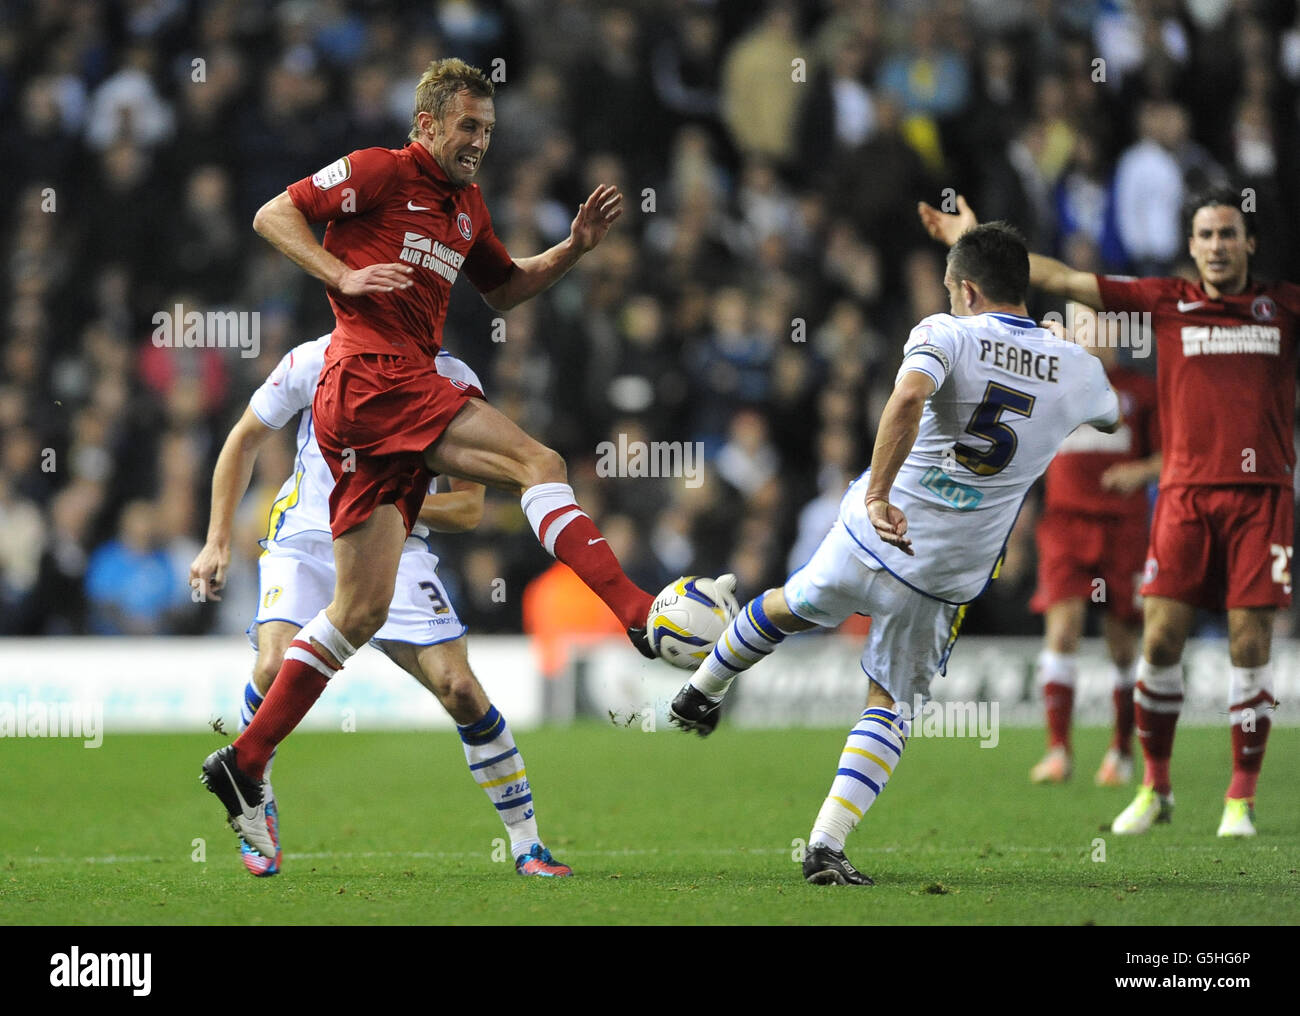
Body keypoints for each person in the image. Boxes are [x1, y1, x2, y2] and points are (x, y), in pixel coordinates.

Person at [198, 58, 693, 858]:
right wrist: (342, 273)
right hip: (372, 376)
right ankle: (636, 613)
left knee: (357, 613)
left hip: (381, 403)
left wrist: (571, 248)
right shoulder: (379, 172)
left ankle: (245, 762)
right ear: (426, 124)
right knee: (541, 463)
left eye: (488, 130)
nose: (479, 142)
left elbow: (502, 289)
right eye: (467, 127)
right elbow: (271, 215)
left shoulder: (467, 209)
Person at [669, 223, 1121, 885]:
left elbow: (909, 395)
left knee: (789, 605)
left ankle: (698, 689)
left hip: (869, 530)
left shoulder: (945, 331)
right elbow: (1110, 415)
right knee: (888, 703)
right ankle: (824, 844)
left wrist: (879, 495)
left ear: (966, 290)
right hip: (943, 572)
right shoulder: (1078, 370)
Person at [919, 186, 1300, 837]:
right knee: (1158, 641)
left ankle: (1240, 797)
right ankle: (1154, 786)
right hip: (1183, 499)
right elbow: (1064, 277)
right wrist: (975, 242)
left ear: (1250, 243)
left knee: (1249, 644)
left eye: (1228, 234)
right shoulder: (1167, 301)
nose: (1216, 246)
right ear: (1190, 246)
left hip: (1261, 498)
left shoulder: (1283, 308)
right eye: (1206, 235)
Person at [190, 335, 571, 877]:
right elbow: (244, 438)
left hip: (395, 544)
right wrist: (217, 539)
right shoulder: (312, 359)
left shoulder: (453, 375)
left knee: (459, 688)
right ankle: (255, 799)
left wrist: (385, 507)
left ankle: (527, 844)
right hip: (306, 539)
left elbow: (466, 509)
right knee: (272, 667)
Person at [1027, 312, 1161, 787]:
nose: (1093, 334)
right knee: (1061, 630)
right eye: (1083, 325)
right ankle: (1058, 750)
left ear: (1118, 332)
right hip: (1064, 524)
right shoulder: (1053, 388)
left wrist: (1140, 473)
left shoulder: (1141, 393)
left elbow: (1174, 454)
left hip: (1121, 528)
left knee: (1121, 644)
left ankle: (1122, 752)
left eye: (1102, 324)